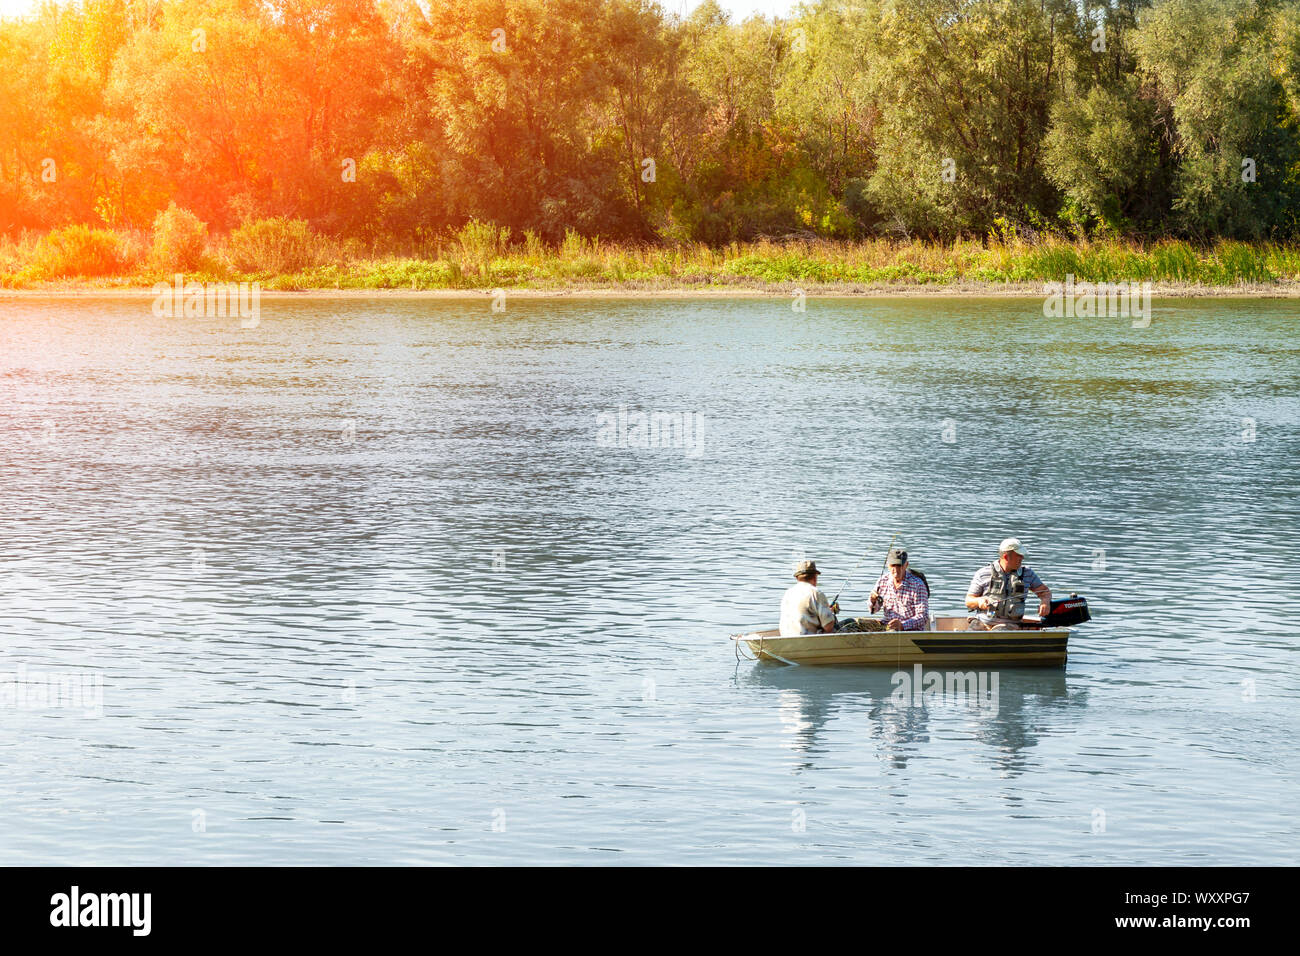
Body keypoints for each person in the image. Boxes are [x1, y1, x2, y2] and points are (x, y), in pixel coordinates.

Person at [965, 537, 1051, 630]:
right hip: (982, 622)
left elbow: (1045, 592)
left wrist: (1045, 602)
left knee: (1000, 631)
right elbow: (969, 600)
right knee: (972, 632)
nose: (1022, 557)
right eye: (1018, 555)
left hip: (1010, 625)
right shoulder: (983, 573)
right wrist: (979, 601)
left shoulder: (1028, 574)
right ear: (1006, 557)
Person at [867, 549, 930, 631]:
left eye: (899, 566)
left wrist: (902, 625)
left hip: (910, 630)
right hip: (887, 626)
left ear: (906, 565)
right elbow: (874, 610)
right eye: (893, 566)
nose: (896, 570)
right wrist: (872, 601)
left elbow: (923, 616)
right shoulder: (882, 581)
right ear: (888, 565)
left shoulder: (918, 585)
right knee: (851, 623)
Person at [779, 560, 839, 636]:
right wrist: (830, 614)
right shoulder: (816, 593)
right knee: (856, 623)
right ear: (815, 577)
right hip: (810, 641)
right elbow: (828, 627)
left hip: (786, 638)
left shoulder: (788, 593)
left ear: (797, 578)